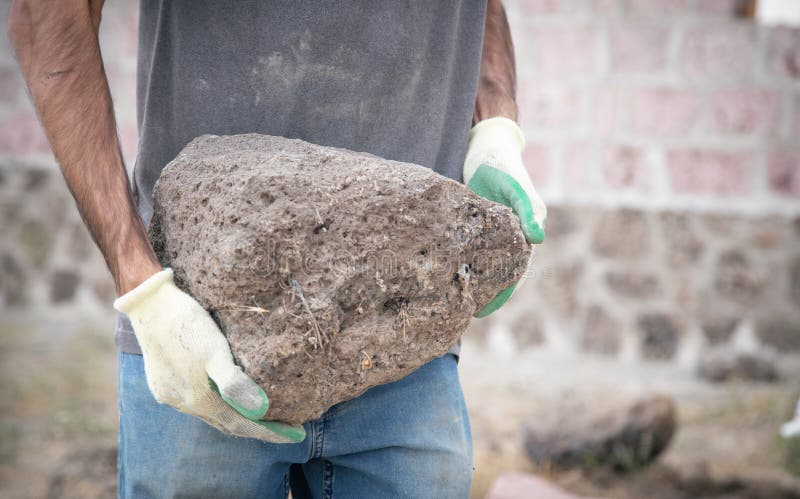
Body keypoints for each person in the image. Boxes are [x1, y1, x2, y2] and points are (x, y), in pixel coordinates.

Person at [9, 0, 546, 497]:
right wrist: (138, 282)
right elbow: (48, 13)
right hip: (205, 340)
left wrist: (494, 119)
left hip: (405, 345)